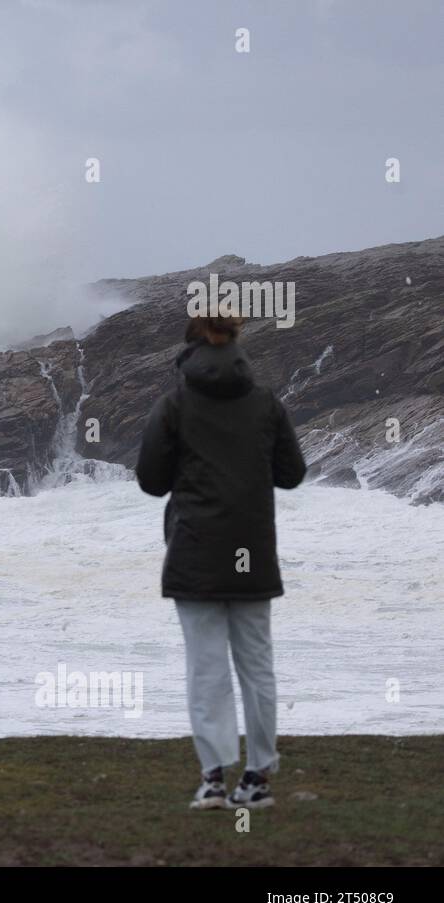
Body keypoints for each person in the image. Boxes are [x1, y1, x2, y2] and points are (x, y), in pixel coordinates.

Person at [135, 310, 307, 810]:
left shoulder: (174, 405)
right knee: (258, 666)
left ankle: (212, 778)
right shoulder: (265, 402)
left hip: (195, 552)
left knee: (205, 667)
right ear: (237, 349)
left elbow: (150, 481)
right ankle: (257, 778)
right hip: (252, 549)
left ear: (190, 352)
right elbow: (292, 473)